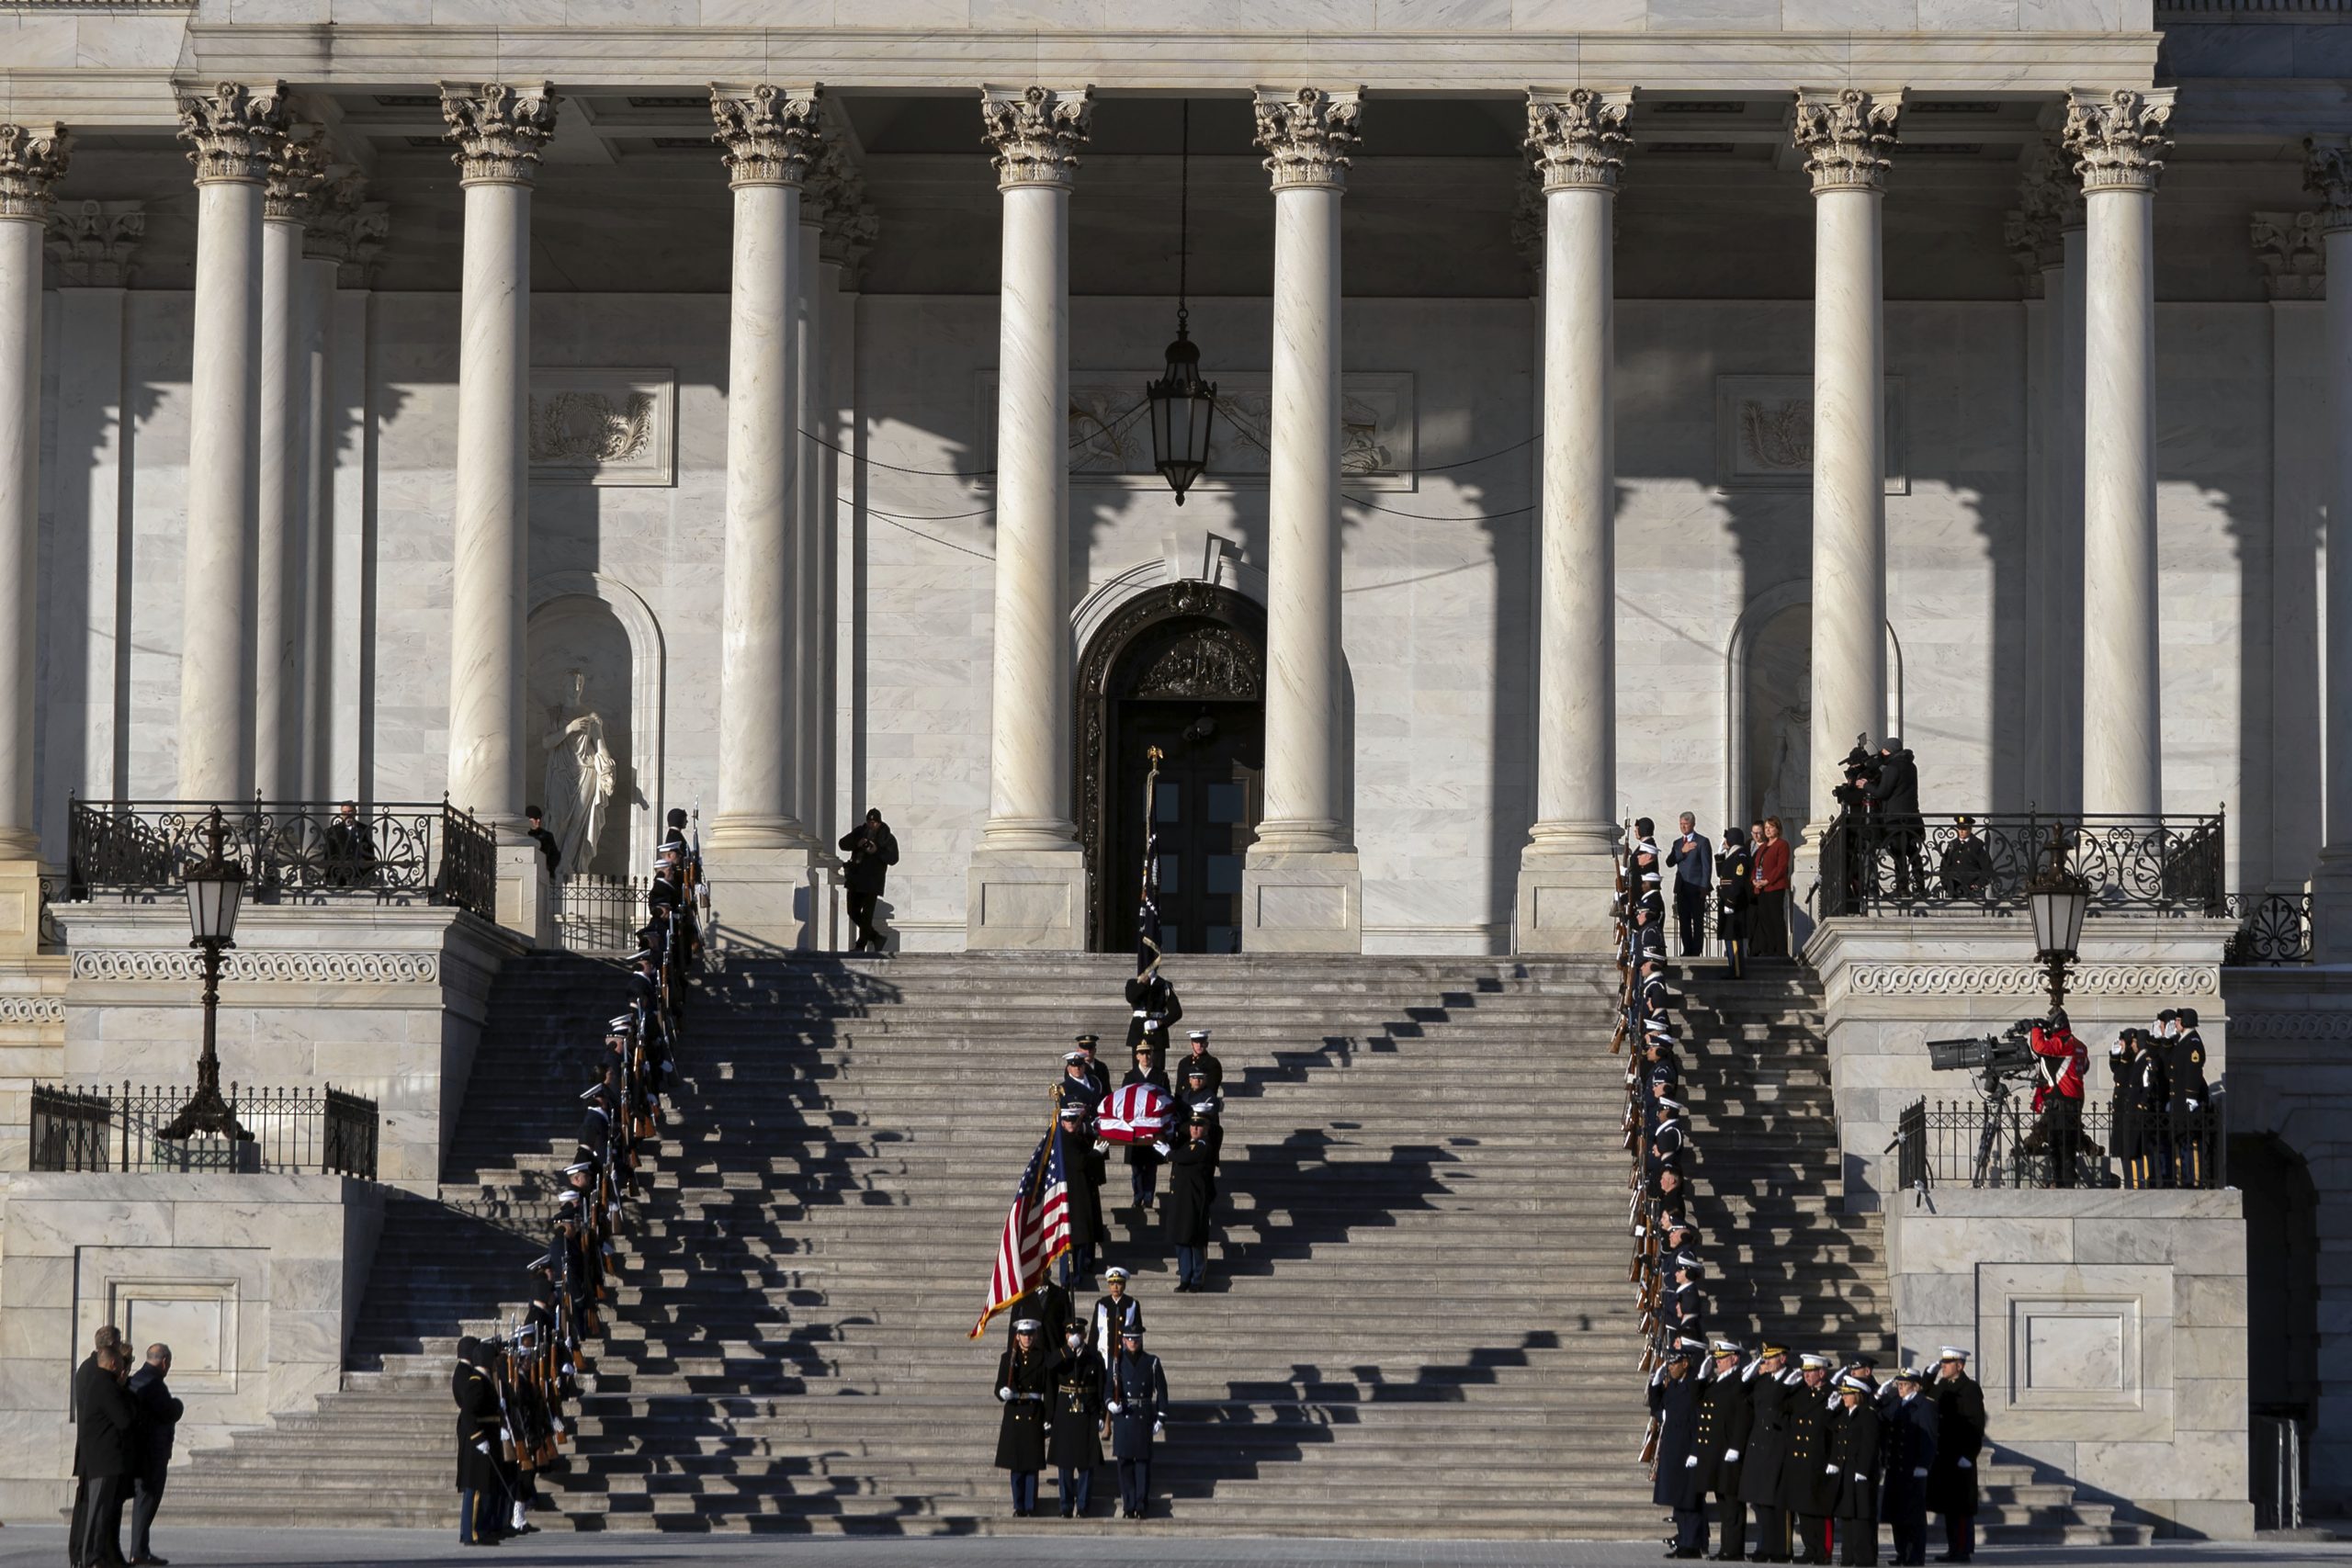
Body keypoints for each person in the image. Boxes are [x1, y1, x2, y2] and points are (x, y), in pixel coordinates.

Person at [1688, 1340, 1753, 1562]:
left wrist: (1736, 1447)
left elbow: (1742, 1418)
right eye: (1717, 1358)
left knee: (1732, 1504)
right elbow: (1697, 1400)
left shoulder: (1739, 1381)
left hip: (1728, 1451)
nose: (1718, 1361)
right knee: (1723, 1501)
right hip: (1715, 1452)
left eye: (1722, 1358)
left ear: (1735, 1359)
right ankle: (1727, 1548)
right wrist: (1700, 1377)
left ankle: (1733, 1549)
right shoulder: (1717, 1381)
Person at [74, 1343, 136, 1568]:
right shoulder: (105, 1385)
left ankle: (98, 1555)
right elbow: (124, 1420)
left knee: (103, 1512)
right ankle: (90, 1556)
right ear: (112, 1363)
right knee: (97, 1512)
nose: (124, 1367)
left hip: (105, 1460)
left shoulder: (101, 1383)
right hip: (103, 1459)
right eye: (121, 1363)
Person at [1738, 1345, 1797, 1562]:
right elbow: (1742, 1393)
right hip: (1759, 1447)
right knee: (1760, 1503)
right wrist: (1753, 1369)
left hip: (1779, 1446)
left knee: (1778, 1505)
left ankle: (1781, 1549)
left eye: (1771, 1358)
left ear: (1783, 1358)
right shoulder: (1763, 1380)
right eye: (1765, 1359)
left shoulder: (1792, 1381)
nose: (1767, 1362)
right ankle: (1765, 1546)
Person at [1928, 1348, 1985, 1564]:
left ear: (1959, 1366)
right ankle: (1953, 1548)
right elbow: (1927, 1398)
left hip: (1961, 1457)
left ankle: (1962, 1550)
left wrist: (1969, 1455)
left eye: (1947, 1363)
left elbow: (1976, 1425)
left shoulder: (1969, 1389)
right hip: (1945, 1456)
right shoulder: (1943, 1386)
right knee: (1950, 1508)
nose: (1943, 1366)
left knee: (1961, 1509)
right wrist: (1928, 1375)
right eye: (1942, 1362)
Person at [126, 1343, 181, 1567]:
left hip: (140, 1451)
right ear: (165, 1361)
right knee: (146, 1502)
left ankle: (140, 1549)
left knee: (143, 1502)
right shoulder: (155, 1384)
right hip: (153, 1454)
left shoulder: (136, 1379)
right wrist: (178, 1404)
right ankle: (139, 1551)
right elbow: (169, 1411)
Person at [1879, 1368, 1939, 1567]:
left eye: (1904, 1384)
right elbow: (1880, 1417)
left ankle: (1915, 1555)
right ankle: (1902, 1552)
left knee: (1914, 1516)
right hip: (1896, 1467)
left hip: (1913, 1468)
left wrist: (1924, 1464)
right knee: (1897, 1514)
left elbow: (1929, 1437)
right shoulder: (1897, 1403)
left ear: (1915, 1385)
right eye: (1899, 1384)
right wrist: (1879, 1396)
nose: (1900, 1388)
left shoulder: (1925, 1406)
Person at [1106, 1323, 1168, 1520]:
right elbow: (1107, 1389)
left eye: (1137, 1339)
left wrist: (1161, 1416)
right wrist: (1109, 1403)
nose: (1133, 1342)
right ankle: (1128, 1504)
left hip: (1142, 1414)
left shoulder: (1152, 1361)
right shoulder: (1116, 1362)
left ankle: (1141, 1504)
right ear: (1124, 1340)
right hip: (1124, 1414)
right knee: (1124, 1463)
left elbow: (1162, 1392)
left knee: (1142, 1463)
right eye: (1130, 1339)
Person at [1781, 1354, 1838, 1565]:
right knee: (1803, 1507)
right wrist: (1789, 1385)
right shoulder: (1801, 1393)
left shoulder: (1832, 1394)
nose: (1805, 1376)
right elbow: (1780, 1406)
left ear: (1822, 1373)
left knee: (1820, 1509)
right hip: (1800, 1462)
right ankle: (1809, 1548)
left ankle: (1824, 1550)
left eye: (1809, 1372)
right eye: (1804, 1372)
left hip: (1819, 1460)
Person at [992, 1318, 1053, 1517]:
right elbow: (999, 1385)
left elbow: (1048, 1389)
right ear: (1017, 1336)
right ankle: (1018, 1505)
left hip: (1033, 1411)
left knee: (1031, 1464)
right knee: (1016, 1463)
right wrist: (1003, 1392)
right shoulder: (1008, 1358)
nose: (1027, 1338)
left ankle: (1030, 1505)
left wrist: (1048, 1417)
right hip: (1014, 1410)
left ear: (1035, 1336)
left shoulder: (1042, 1357)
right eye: (1023, 1334)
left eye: (1030, 1334)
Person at [1652, 1342, 1707, 1559]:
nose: (1670, 1368)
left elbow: (1700, 1422)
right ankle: (1684, 1541)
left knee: (1690, 1501)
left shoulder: (1693, 1386)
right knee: (1679, 1499)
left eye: (1674, 1364)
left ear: (1686, 1363)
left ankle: (1692, 1544)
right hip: (1674, 1450)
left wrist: (1695, 1451)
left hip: (1688, 1450)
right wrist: (1655, 1384)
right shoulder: (1673, 1386)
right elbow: (1658, 1408)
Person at [1047, 1319, 1105, 1518]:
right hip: (1065, 1407)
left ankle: (1082, 1505)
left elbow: (1100, 1385)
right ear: (1066, 1335)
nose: (1076, 1336)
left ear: (1085, 1335)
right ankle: (1065, 1505)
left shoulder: (1093, 1356)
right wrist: (1068, 1348)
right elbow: (1049, 1366)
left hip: (1087, 1408)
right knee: (1065, 1462)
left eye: (1079, 1333)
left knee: (1086, 1462)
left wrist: (1101, 1414)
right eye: (1071, 1333)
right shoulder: (1062, 1354)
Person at [2027, 1010, 2086, 1188]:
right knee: (2066, 1146)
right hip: (2074, 1100)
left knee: (2059, 1146)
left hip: (2061, 1102)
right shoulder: (2080, 1045)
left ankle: (2064, 1185)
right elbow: (2086, 1066)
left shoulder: (2063, 1043)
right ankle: (2063, 1182)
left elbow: (2039, 1047)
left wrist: (2035, 1027)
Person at [452, 1336, 503, 1547]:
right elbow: (468, 1413)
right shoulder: (476, 1383)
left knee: (481, 1488)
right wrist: (479, 1438)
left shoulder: (483, 1381)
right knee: (475, 1491)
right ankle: (471, 1532)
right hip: (477, 1442)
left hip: (486, 1438)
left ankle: (478, 1530)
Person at [1826, 1374, 1882, 1567]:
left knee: (1861, 1516)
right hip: (1846, 1472)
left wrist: (1863, 1469)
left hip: (1860, 1474)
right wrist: (1830, 1410)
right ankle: (1848, 1555)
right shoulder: (1845, 1414)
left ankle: (1863, 1557)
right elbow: (1833, 1432)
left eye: (1847, 1394)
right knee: (1848, 1514)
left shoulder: (1868, 1414)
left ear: (1857, 1395)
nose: (1843, 1397)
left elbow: (1870, 1445)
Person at [1163, 1109, 1217, 1292]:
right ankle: (1185, 1277)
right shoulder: (1188, 1144)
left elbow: (1184, 1157)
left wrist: (1169, 1154)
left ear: (1206, 1129)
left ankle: (1197, 1278)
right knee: (1182, 1239)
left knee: (1195, 1240)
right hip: (1182, 1200)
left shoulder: (1204, 1145)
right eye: (1193, 1125)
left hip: (1195, 1200)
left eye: (1199, 1126)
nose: (1194, 1129)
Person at [1057, 1099, 1109, 1290]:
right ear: (1063, 1122)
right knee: (1070, 1243)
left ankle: (1076, 1276)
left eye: (1074, 1120)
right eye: (1068, 1120)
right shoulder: (1064, 1140)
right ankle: (1068, 1279)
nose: (1072, 1123)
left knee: (1081, 1239)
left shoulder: (1078, 1138)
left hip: (1081, 1195)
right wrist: (1095, 1154)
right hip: (1070, 1197)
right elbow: (1079, 1163)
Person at [1865, 736, 1924, 898]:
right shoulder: (1911, 766)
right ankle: (1920, 887)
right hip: (1912, 817)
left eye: (1883, 750)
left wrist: (1866, 785)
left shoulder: (1893, 768)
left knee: (1898, 854)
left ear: (1889, 750)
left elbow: (1882, 793)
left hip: (1895, 820)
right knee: (1913, 853)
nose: (1881, 753)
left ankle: (1902, 888)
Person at [839, 808, 898, 953]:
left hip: (873, 880)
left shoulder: (887, 837)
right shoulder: (860, 831)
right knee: (852, 912)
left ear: (879, 822)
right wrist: (857, 843)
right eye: (870, 822)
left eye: (875, 822)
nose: (872, 825)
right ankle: (876, 937)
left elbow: (893, 859)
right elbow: (842, 844)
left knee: (867, 915)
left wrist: (876, 850)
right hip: (856, 878)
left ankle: (860, 945)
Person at [1120, 1043, 1170, 1208]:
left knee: (1151, 1165)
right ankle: (1138, 1195)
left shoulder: (1160, 1076)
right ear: (1136, 1056)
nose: (1146, 1057)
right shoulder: (1130, 1077)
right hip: (1135, 1128)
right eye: (1142, 1053)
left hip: (1153, 1128)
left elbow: (1167, 1099)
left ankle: (1148, 1196)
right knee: (1136, 1167)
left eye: (1148, 1053)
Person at [2169, 1006, 2212, 1188]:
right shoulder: (2182, 1041)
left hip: (2187, 1099)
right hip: (2178, 1099)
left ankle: (2193, 1178)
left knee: (2189, 1140)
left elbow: (2193, 1070)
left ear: (2185, 1022)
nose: (2176, 1024)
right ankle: (2183, 1177)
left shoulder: (2193, 1042)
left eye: (2178, 1021)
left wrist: (2191, 1096)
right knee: (2181, 1138)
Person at [1667, 814, 1713, 958]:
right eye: (1681, 824)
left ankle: (1696, 950)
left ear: (1693, 824)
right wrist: (1682, 851)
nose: (1683, 826)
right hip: (1682, 888)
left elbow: (1707, 866)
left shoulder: (1702, 842)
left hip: (1697, 888)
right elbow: (1669, 862)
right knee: (1684, 920)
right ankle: (1687, 949)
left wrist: (1704, 886)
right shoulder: (1677, 843)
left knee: (1698, 921)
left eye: (1686, 824)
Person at [1715, 825, 1753, 980]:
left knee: (1734, 937)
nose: (1725, 841)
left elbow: (1737, 880)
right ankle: (1732, 968)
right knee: (1728, 937)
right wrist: (1719, 856)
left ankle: (1737, 971)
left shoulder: (1741, 855)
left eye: (1727, 839)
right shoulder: (1733, 854)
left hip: (1735, 904)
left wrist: (1730, 902)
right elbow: (1721, 874)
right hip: (1727, 901)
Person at [1751, 817, 1792, 958]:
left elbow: (1781, 867)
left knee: (1776, 917)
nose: (1768, 830)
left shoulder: (1782, 845)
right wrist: (1754, 881)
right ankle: (1769, 948)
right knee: (1764, 918)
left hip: (1774, 887)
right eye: (1766, 827)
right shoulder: (1762, 847)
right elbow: (1756, 866)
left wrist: (1767, 880)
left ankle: (1780, 950)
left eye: (1771, 827)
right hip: (1761, 888)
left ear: (1777, 829)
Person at [1125, 961, 1182, 1055]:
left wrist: (1158, 1023)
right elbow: (1131, 997)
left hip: (1158, 1034)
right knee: (1138, 1069)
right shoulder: (1133, 983)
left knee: (1158, 1069)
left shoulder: (1164, 985)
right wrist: (1144, 982)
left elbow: (1176, 1012)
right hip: (1138, 1031)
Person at [1091, 1267, 1145, 1369]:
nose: (1115, 1287)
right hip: (1104, 1354)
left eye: (1119, 1284)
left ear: (1124, 1285)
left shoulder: (1132, 1304)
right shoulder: (1102, 1304)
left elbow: (1137, 1332)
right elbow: (1095, 1331)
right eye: (1112, 1284)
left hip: (1125, 1353)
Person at [323, 800, 379, 889]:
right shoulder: (333, 831)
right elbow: (329, 854)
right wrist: (329, 876)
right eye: (344, 812)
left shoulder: (364, 829)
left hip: (361, 872)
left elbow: (370, 852)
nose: (347, 815)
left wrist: (371, 872)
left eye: (350, 812)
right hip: (341, 874)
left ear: (355, 812)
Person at [1937, 816, 1994, 901]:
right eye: (1959, 829)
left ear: (1970, 829)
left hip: (1972, 890)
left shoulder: (1976, 845)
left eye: (1964, 829)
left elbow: (1987, 869)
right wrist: (1947, 884)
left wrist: (1978, 884)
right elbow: (1944, 866)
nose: (1961, 831)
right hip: (1954, 890)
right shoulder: (1953, 844)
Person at [1178, 1029, 1223, 1099]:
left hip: (1202, 1103)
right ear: (1192, 1044)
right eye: (1196, 1042)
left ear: (1207, 1044)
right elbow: (1179, 1089)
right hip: (1184, 1104)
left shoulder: (1213, 1063)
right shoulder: (1184, 1062)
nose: (1199, 1045)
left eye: (1202, 1042)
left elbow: (1212, 1088)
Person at [524, 805, 560, 882]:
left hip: (545, 874)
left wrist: (548, 865)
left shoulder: (547, 835)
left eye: (539, 818)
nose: (539, 821)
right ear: (528, 819)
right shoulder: (523, 835)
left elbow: (556, 855)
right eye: (536, 819)